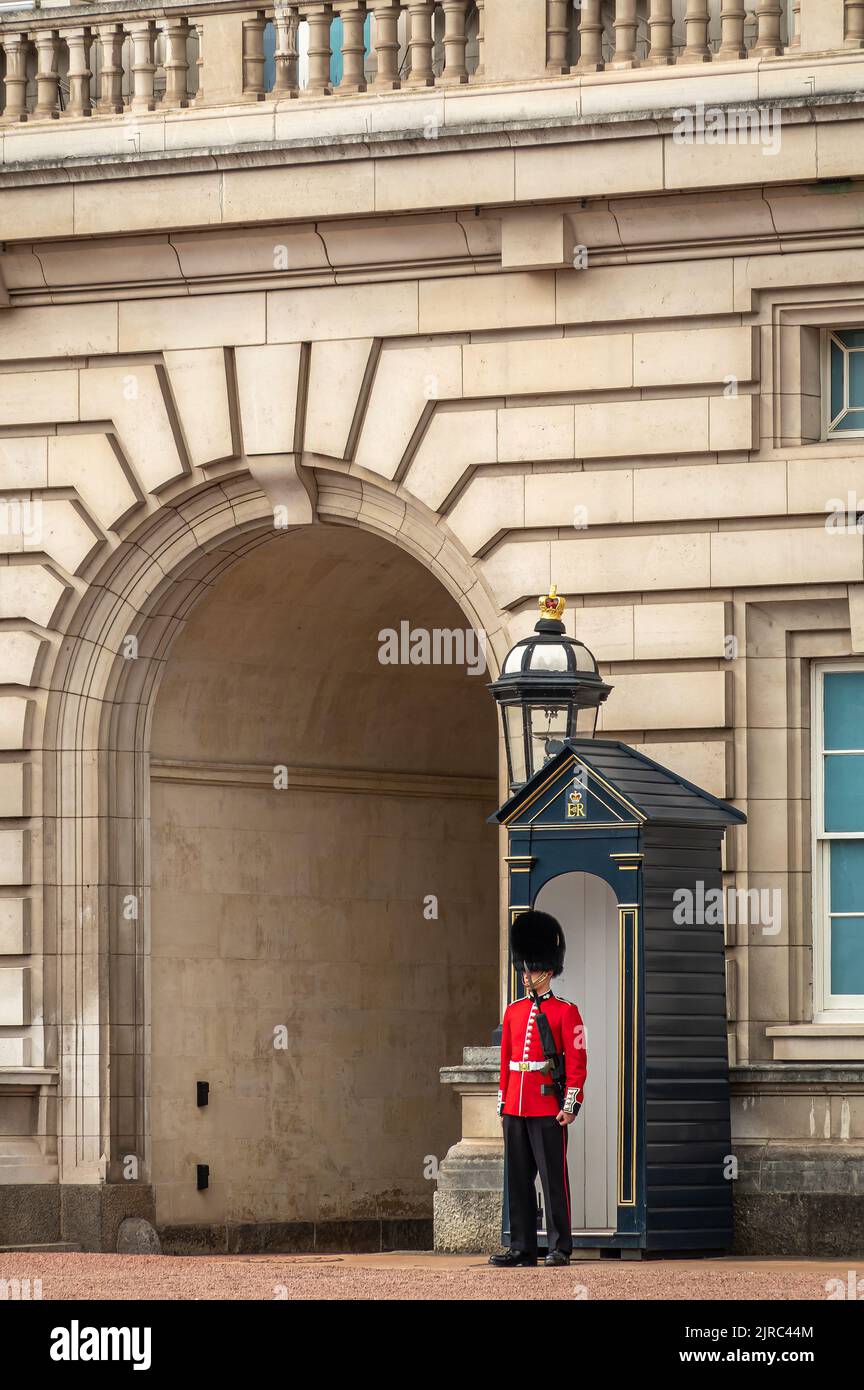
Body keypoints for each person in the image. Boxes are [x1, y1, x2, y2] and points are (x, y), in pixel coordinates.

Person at [489, 910, 587, 1269]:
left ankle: (560, 1245)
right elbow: (507, 1061)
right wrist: (503, 1102)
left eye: (531, 969)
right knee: (518, 1181)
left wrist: (571, 1104)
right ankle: (522, 1246)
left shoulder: (566, 1012)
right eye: (524, 968)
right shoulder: (513, 1011)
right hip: (516, 1104)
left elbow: (577, 1064)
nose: (526, 975)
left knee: (553, 1179)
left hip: (548, 1106)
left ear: (547, 970)